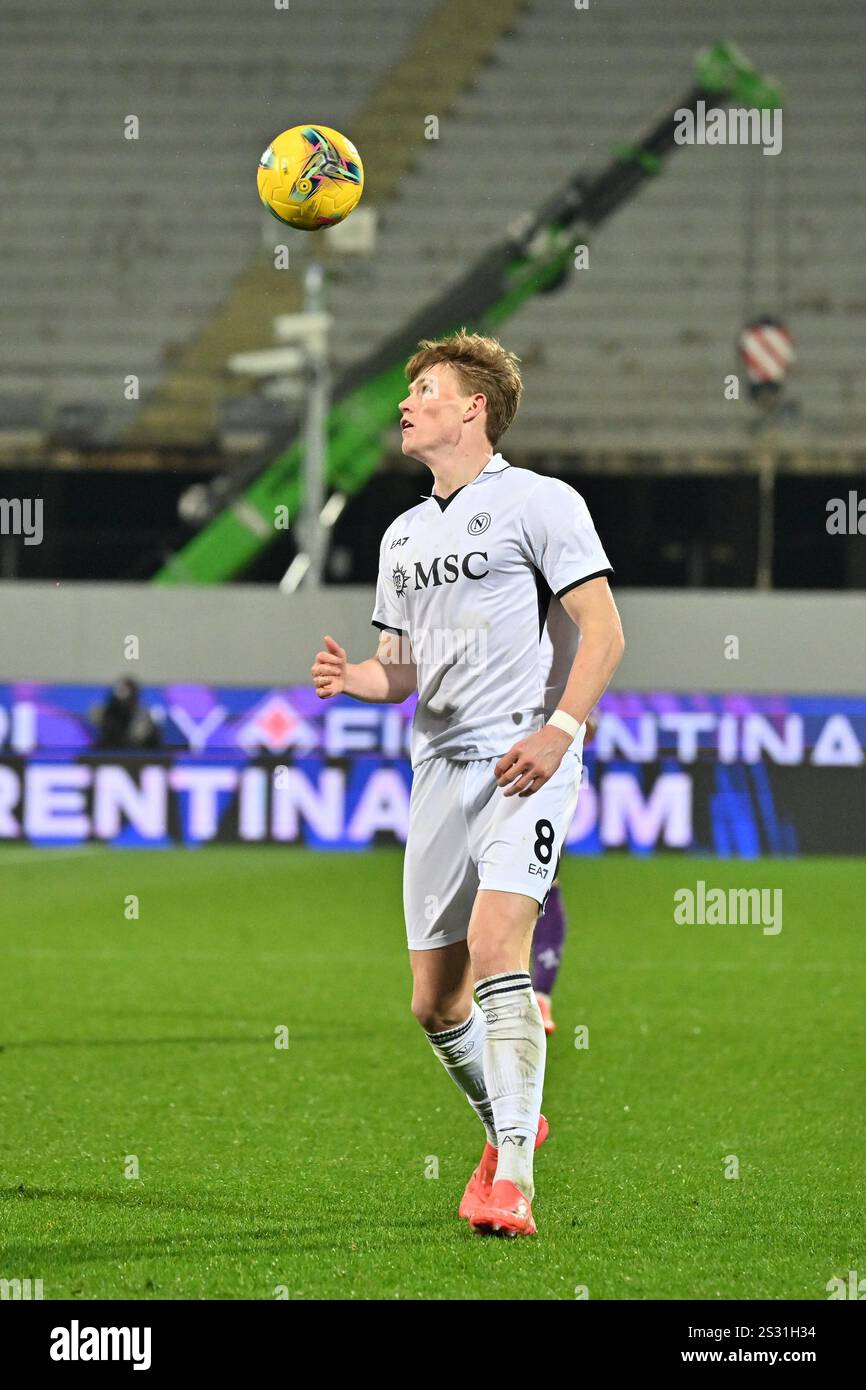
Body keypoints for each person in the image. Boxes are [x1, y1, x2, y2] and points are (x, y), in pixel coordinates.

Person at [312, 331, 624, 1236]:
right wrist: (353, 679)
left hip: (522, 762)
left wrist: (559, 732)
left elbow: (602, 632)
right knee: (433, 1003)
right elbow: (398, 671)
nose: (407, 404)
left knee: (498, 952)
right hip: (437, 771)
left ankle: (514, 1184)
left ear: (474, 407)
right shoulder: (404, 533)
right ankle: (509, 1127)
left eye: (425, 389)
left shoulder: (539, 502)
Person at [532, 715, 598, 1035]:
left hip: (541, 776)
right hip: (478, 770)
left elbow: (590, 725)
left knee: (543, 883)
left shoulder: (561, 667)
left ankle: (538, 994)